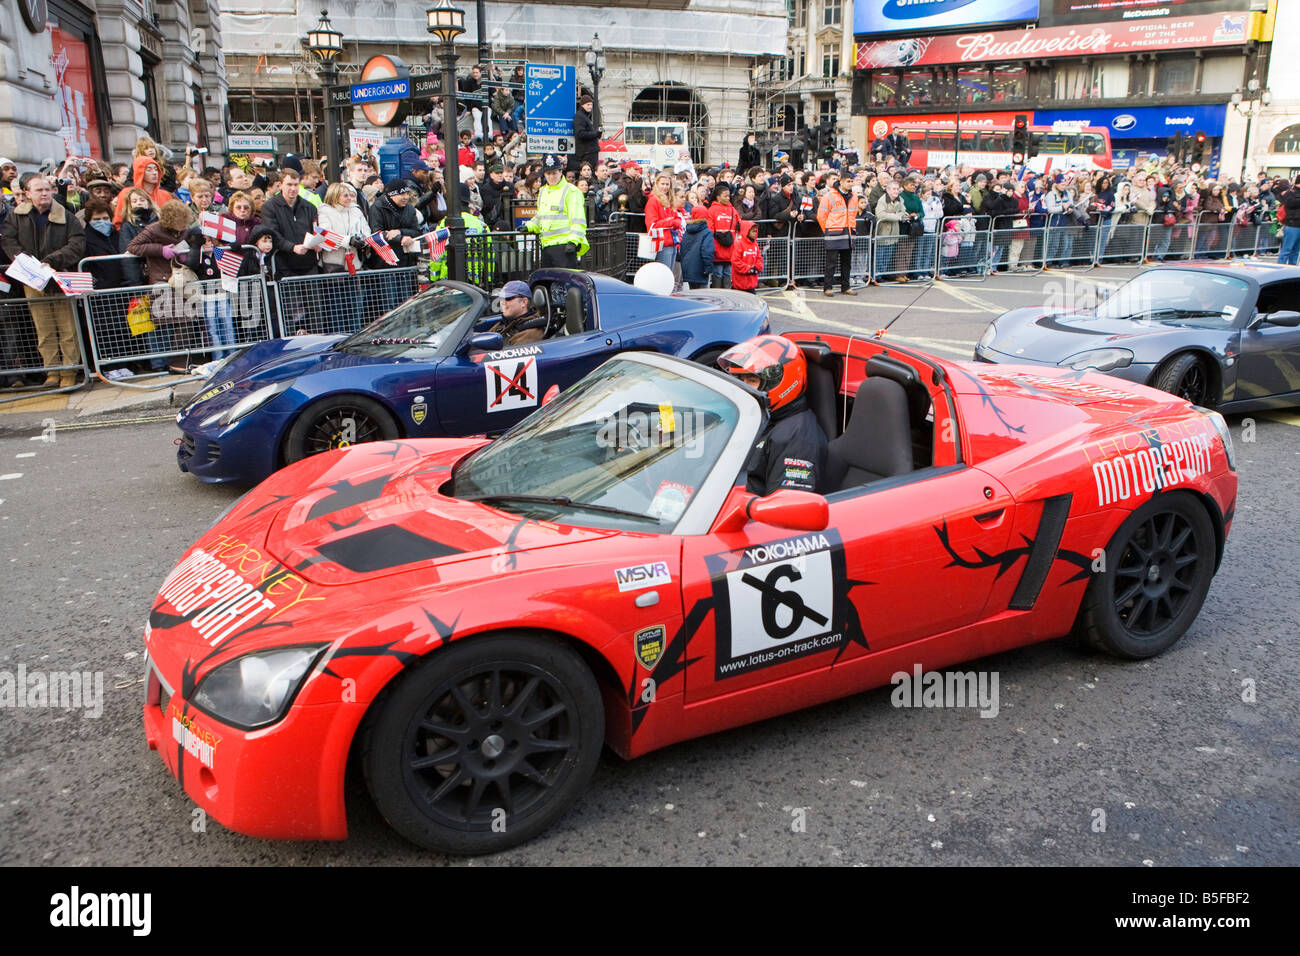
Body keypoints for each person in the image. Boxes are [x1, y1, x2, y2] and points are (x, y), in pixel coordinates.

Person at [1, 175, 86, 387]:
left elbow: (76, 244)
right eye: (39, 190)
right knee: (44, 329)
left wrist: (52, 261)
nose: (45, 193)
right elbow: (9, 241)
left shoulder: (66, 216)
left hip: (58, 276)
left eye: (48, 189)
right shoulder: (15, 216)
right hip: (31, 279)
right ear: (27, 193)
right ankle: (52, 371)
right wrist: (25, 262)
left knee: (67, 328)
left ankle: (69, 372)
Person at [716, 334, 827, 495]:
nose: (743, 387)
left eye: (752, 380)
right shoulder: (757, 418)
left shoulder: (798, 438)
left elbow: (785, 508)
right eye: (740, 379)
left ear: (782, 382)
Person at [523, 154, 588, 268]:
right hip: (546, 246)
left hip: (565, 247)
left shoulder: (571, 191)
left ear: (560, 172)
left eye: (554, 173)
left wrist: (573, 241)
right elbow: (541, 216)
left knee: (564, 283)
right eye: (548, 174)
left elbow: (578, 220)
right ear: (544, 174)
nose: (551, 177)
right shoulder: (543, 191)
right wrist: (529, 226)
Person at [818, 172, 859, 294]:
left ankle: (846, 287)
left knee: (847, 263)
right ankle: (828, 287)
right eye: (848, 181)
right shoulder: (829, 196)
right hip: (834, 233)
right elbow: (821, 216)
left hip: (848, 233)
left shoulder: (854, 197)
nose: (850, 184)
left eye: (852, 181)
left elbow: (853, 214)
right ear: (841, 181)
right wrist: (827, 230)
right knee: (831, 263)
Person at [487, 280, 547, 346]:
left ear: (524, 302)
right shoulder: (502, 325)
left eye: (508, 298)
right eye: (501, 298)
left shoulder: (531, 334)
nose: (502, 302)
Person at [706, 183, 740, 288]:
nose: (727, 198)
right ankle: (717, 295)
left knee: (728, 273)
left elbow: (738, 225)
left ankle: (726, 294)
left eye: (728, 195)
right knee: (718, 273)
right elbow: (710, 229)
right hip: (718, 248)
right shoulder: (712, 210)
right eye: (725, 196)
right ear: (718, 197)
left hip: (730, 247)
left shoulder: (733, 210)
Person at [679, 208, 715, 289]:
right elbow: (707, 252)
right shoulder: (707, 232)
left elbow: (683, 249)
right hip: (701, 270)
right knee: (702, 295)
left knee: (692, 294)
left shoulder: (687, 231)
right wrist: (708, 268)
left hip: (688, 269)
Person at [730, 220, 764, 293]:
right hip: (739, 285)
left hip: (751, 284)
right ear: (747, 231)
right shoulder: (739, 244)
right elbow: (735, 261)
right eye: (753, 231)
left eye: (756, 231)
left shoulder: (755, 244)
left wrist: (757, 267)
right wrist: (749, 269)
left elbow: (759, 259)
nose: (755, 233)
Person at [572, 95, 601, 174]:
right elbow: (580, 133)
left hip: (589, 151)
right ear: (582, 105)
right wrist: (595, 134)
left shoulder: (585, 116)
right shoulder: (580, 116)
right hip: (587, 152)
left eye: (591, 104)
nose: (590, 107)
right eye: (588, 105)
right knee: (589, 173)